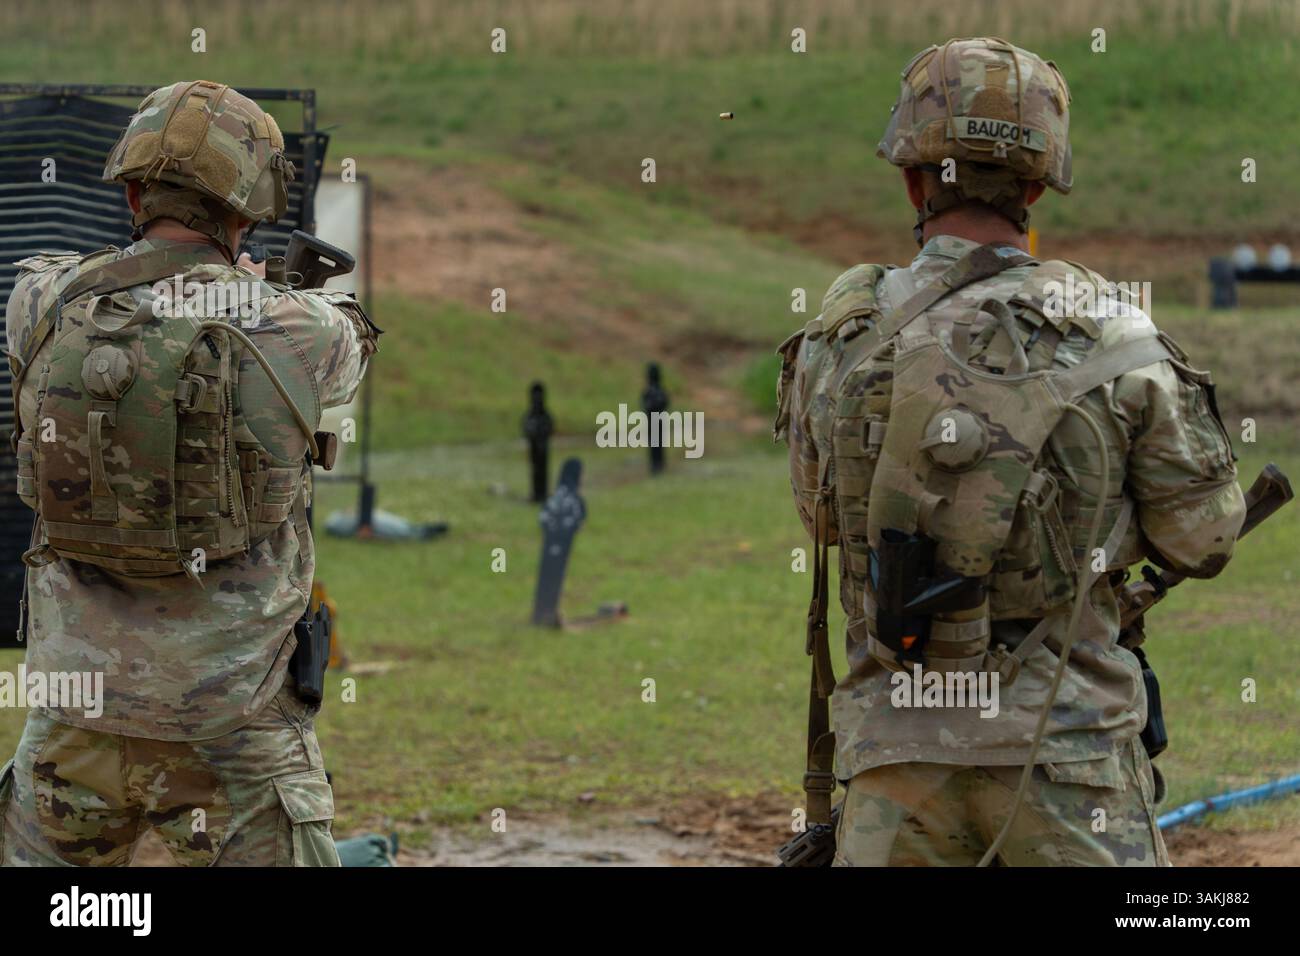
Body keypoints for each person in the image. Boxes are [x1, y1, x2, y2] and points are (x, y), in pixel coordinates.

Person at [775, 38, 1245, 866]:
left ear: (912, 178)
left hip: (894, 768)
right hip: (1067, 761)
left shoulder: (838, 340)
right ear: (1036, 186)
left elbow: (822, 521)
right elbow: (1201, 540)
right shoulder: (1117, 334)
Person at [0, 80, 379, 866]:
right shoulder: (296, 328)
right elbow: (347, 345)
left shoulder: (41, 300)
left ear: (133, 191)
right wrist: (257, 285)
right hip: (233, 727)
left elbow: (95, 285)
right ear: (246, 209)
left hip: (74, 719)